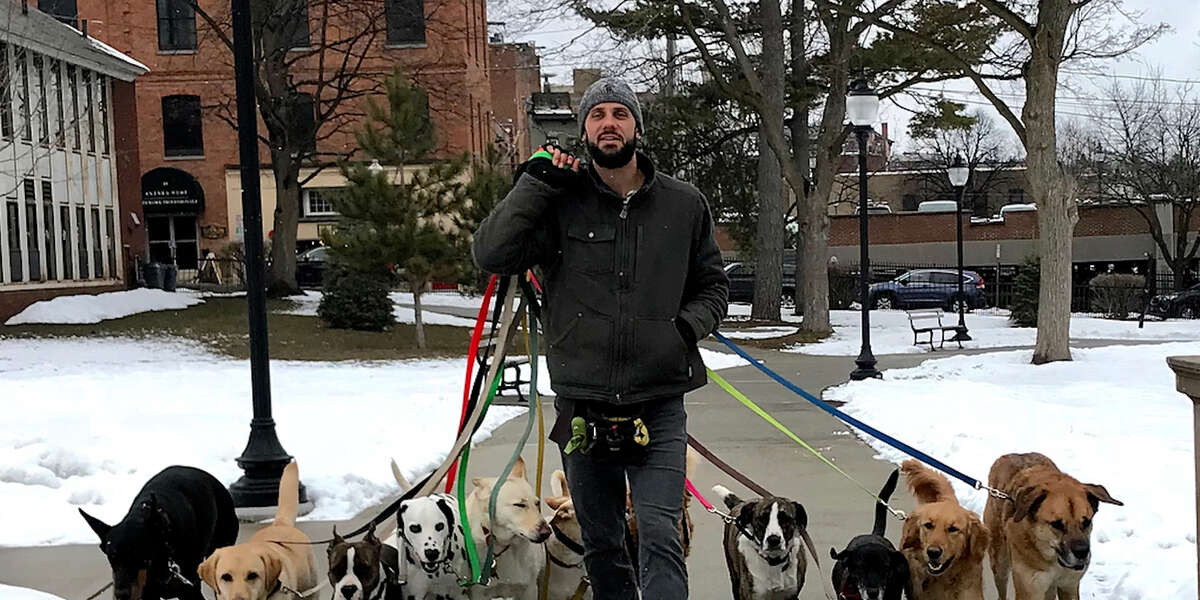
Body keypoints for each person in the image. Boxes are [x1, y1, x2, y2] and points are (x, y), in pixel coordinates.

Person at [472, 76, 728, 599]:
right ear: (584, 130)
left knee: (660, 532)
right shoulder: (559, 201)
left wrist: (682, 330)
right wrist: (534, 184)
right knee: (603, 542)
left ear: (637, 127)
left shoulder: (683, 204)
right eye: (597, 115)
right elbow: (491, 254)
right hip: (582, 405)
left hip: (658, 400)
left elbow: (713, 286)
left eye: (620, 114)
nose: (608, 123)